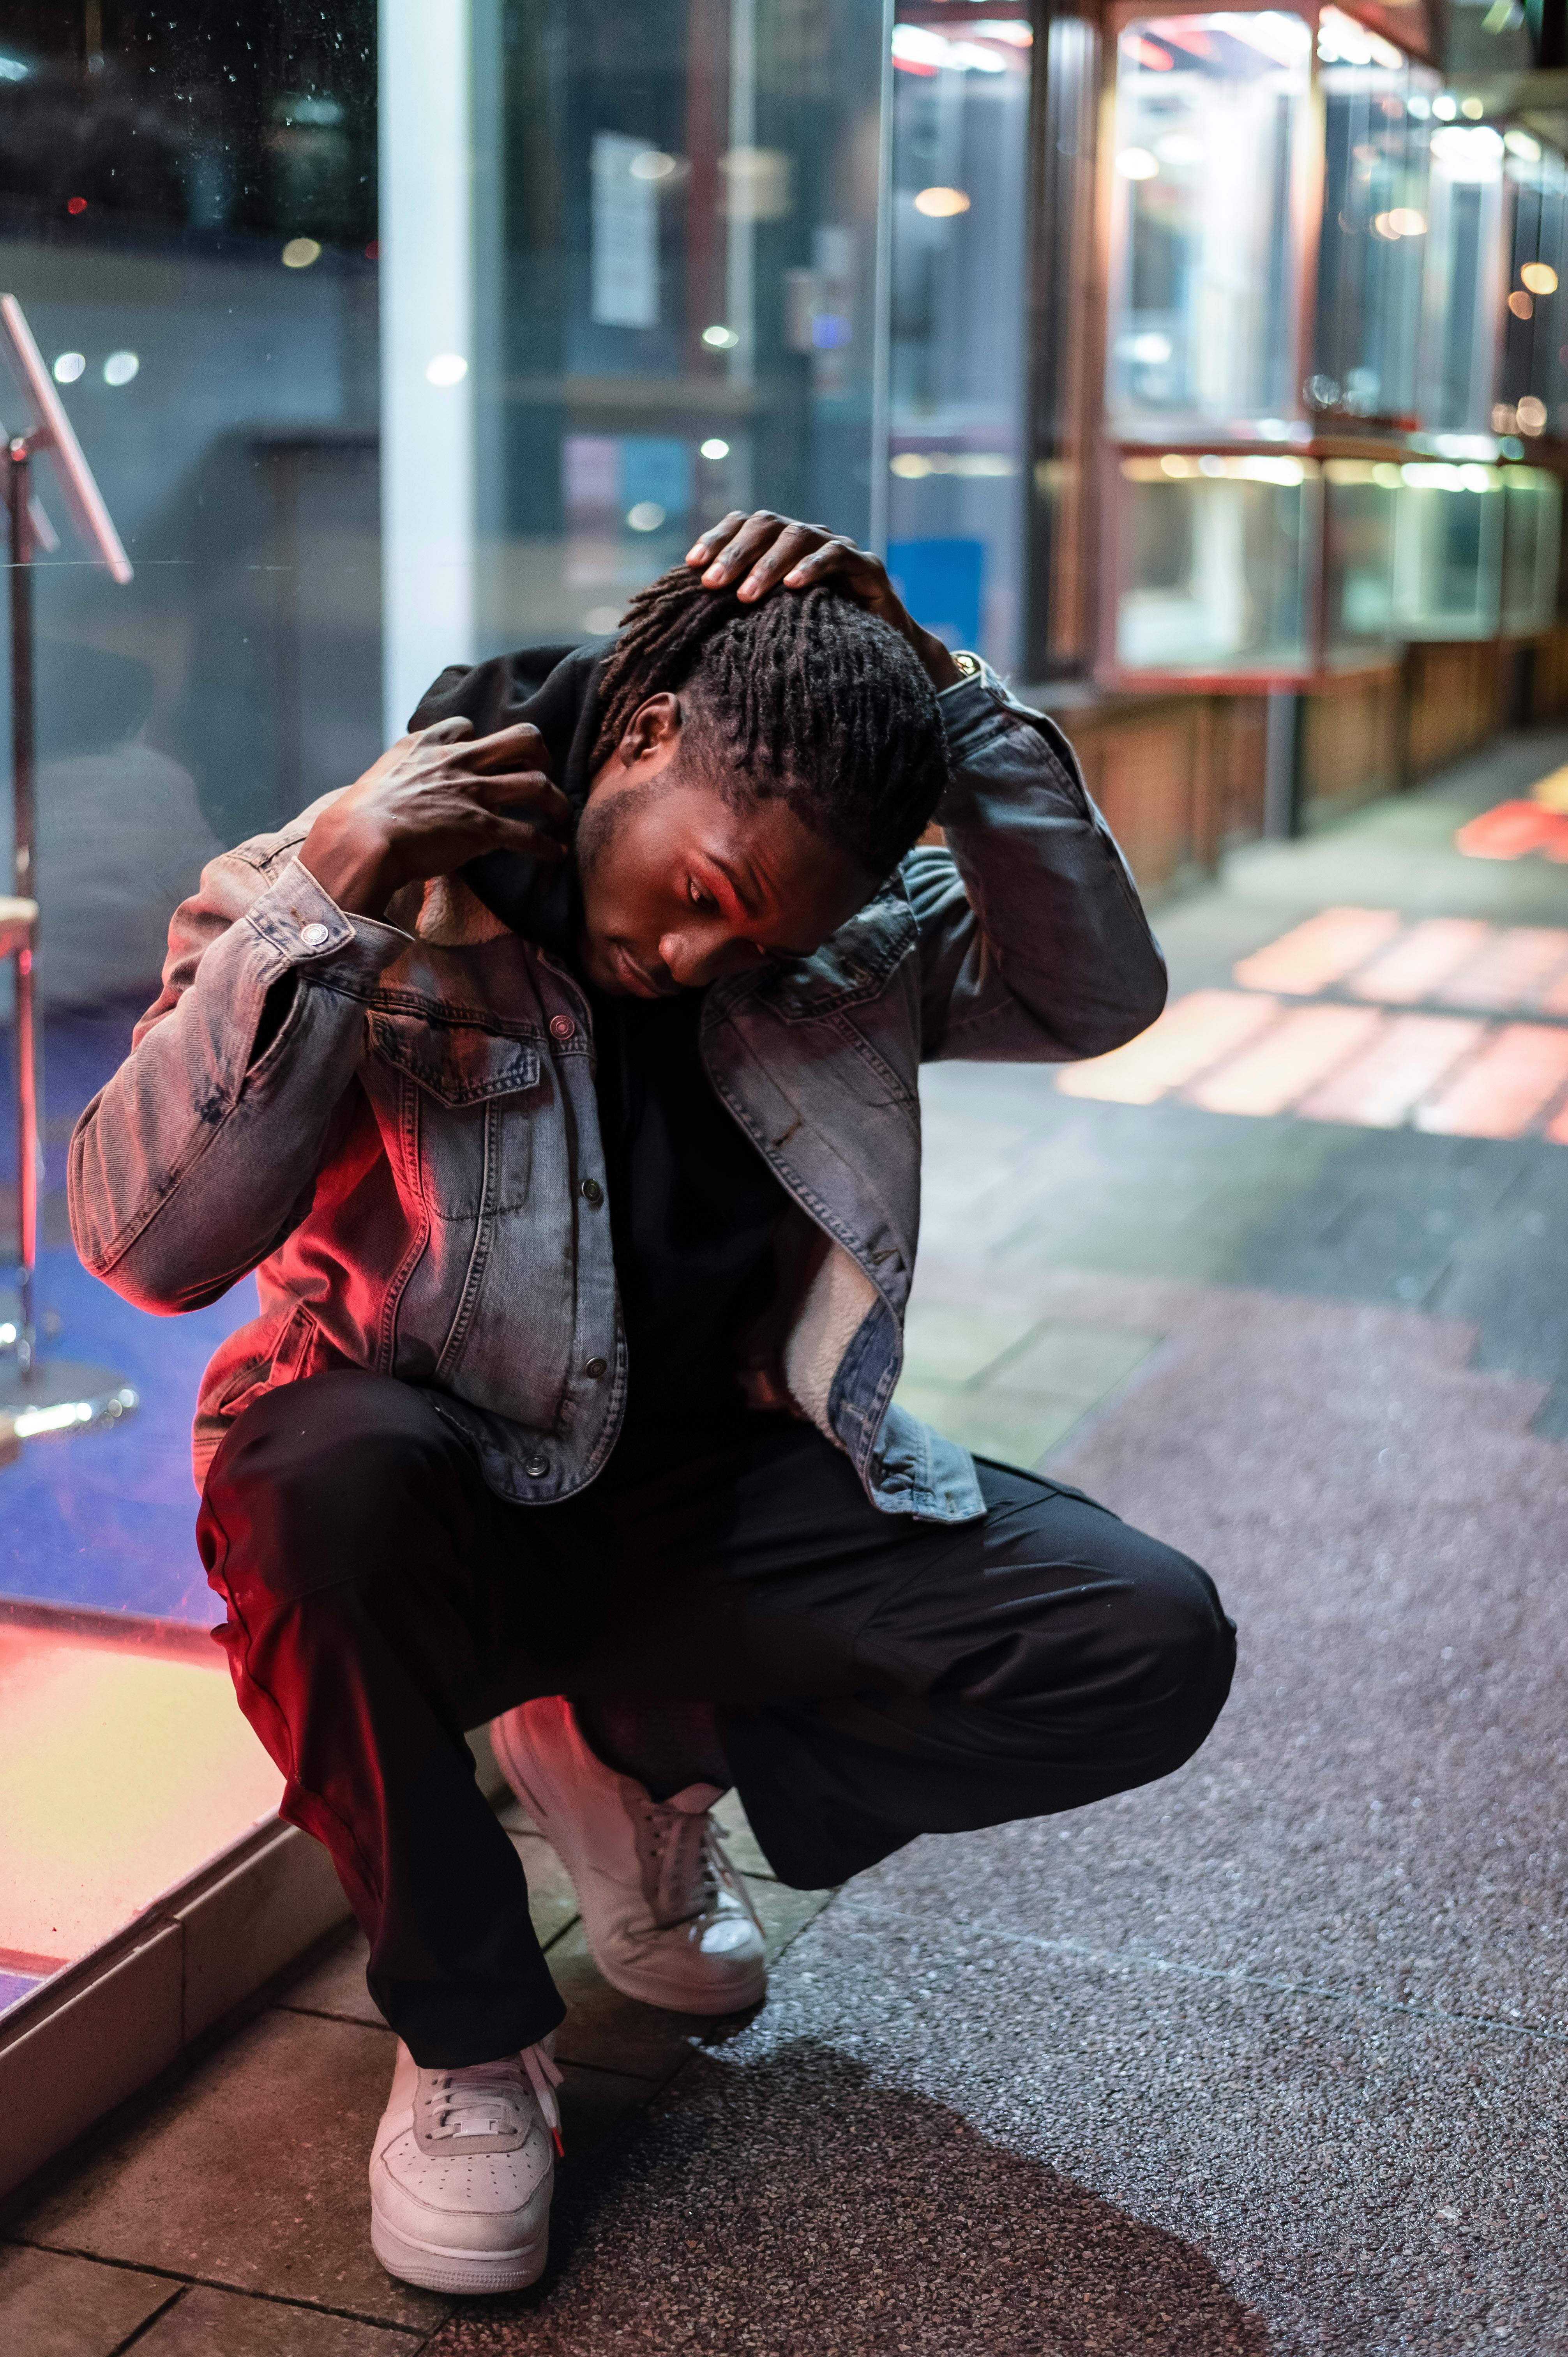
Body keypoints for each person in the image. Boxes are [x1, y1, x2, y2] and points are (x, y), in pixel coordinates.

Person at [69, 511, 1235, 2297]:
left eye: (765, 941)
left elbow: (1097, 993)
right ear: (639, 741)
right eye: (702, 895)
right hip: (432, 1493)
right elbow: (144, 1250)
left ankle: (630, 1750)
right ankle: (467, 2043)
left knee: (1140, 1642)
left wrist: (948, 691)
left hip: (717, 1500)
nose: (708, 959)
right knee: (311, 1479)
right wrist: (322, 905)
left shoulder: (834, 939)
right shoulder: (348, 884)